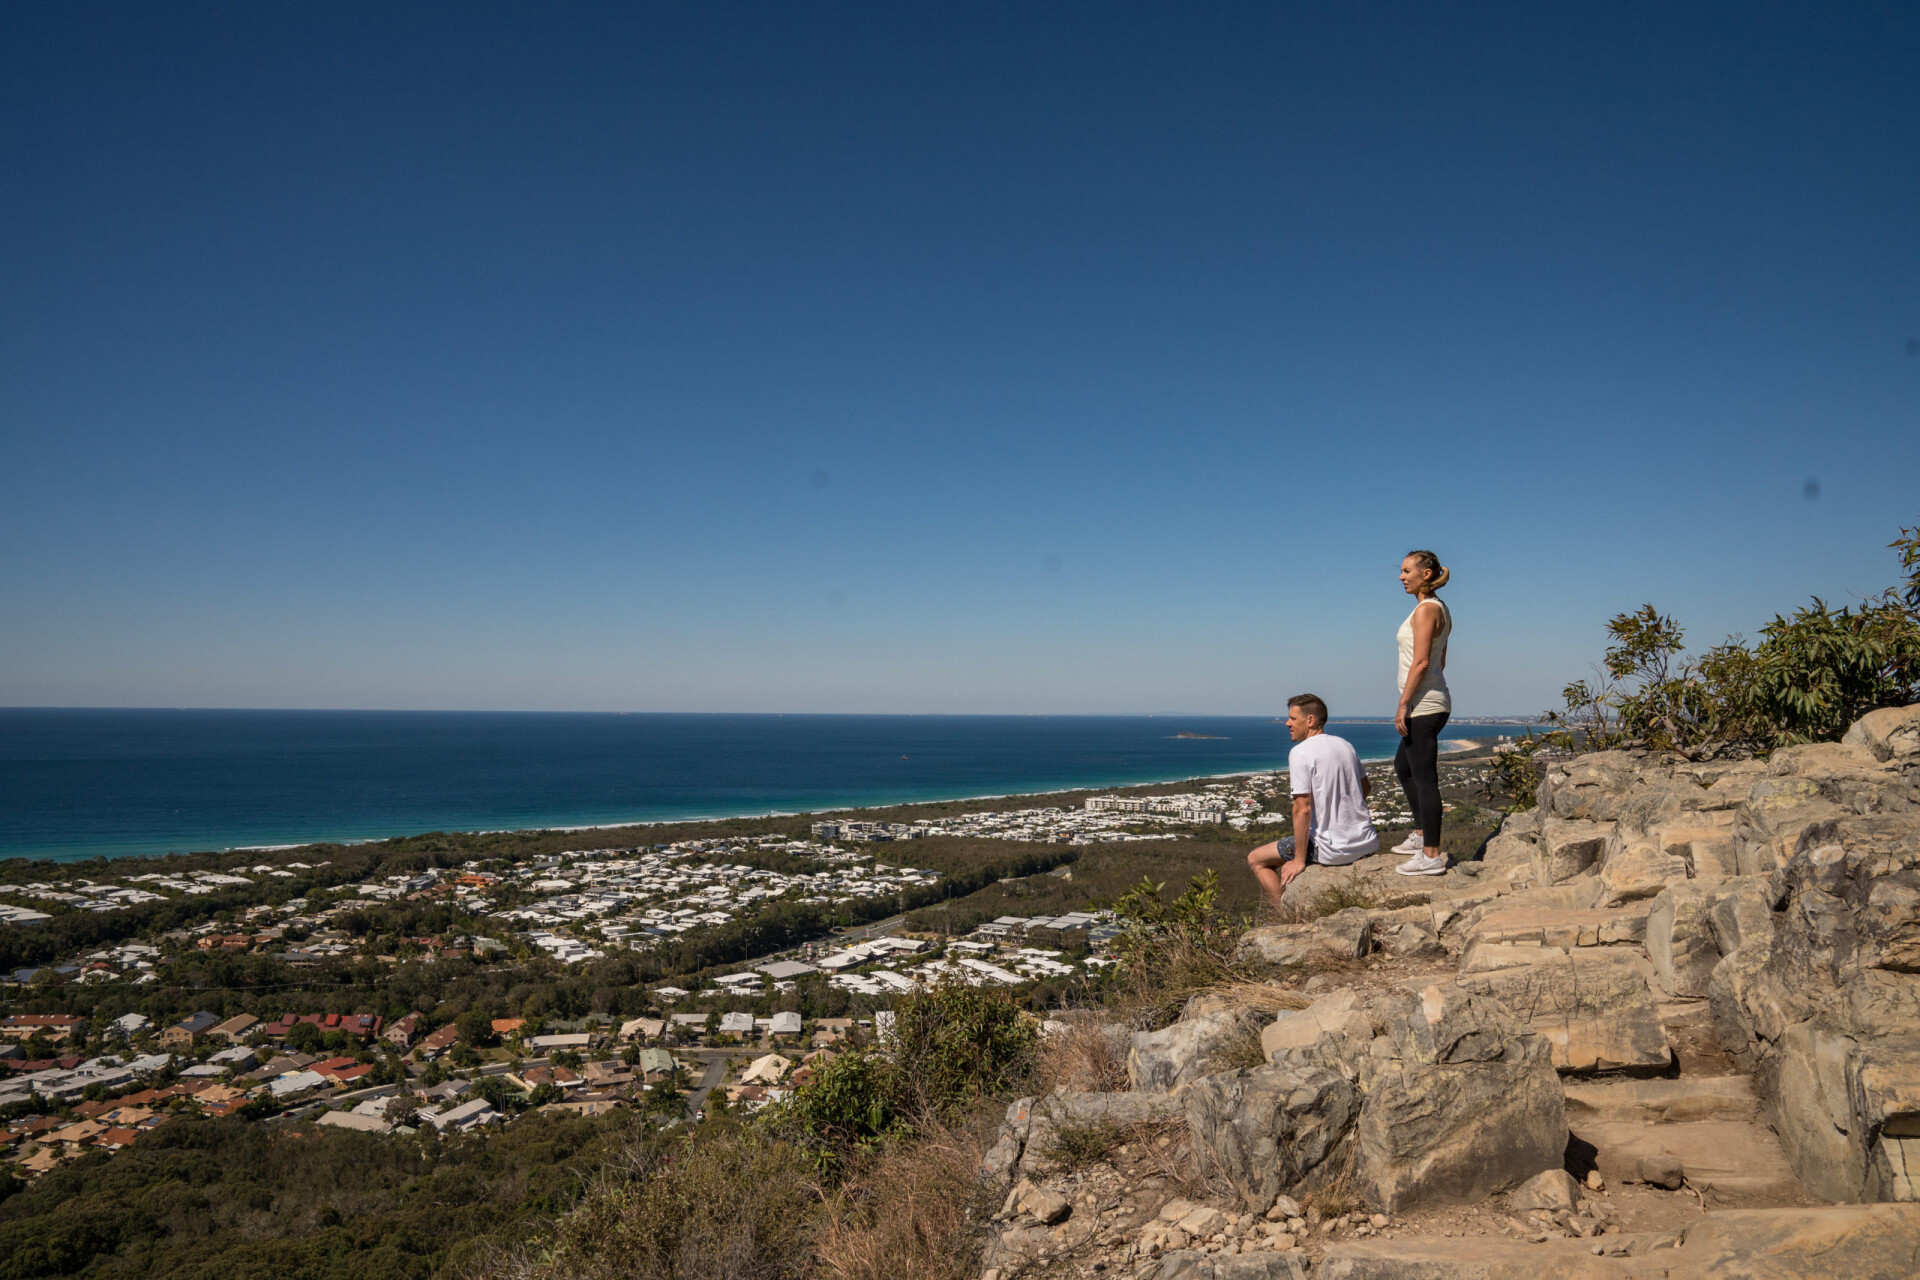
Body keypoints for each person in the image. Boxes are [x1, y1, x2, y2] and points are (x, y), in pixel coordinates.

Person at [1246, 694, 1380, 913]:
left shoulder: (1300, 752)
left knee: (1256, 860)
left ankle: (1286, 915)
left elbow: (1302, 808)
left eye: (1292, 718)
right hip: (1367, 841)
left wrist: (1299, 859)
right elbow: (1366, 788)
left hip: (1331, 850)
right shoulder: (1346, 745)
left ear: (1310, 721)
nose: (1287, 724)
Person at [1389, 549, 1453, 876]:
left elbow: (1424, 661)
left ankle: (1431, 855)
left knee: (1425, 779)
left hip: (1423, 706)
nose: (1401, 576)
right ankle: (1419, 834)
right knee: (1404, 766)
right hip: (1429, 701)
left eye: (1406, 570)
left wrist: (1404, 703)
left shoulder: (1427, 609)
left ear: (1425, 574)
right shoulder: (1435, 608)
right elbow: (1441, 661)